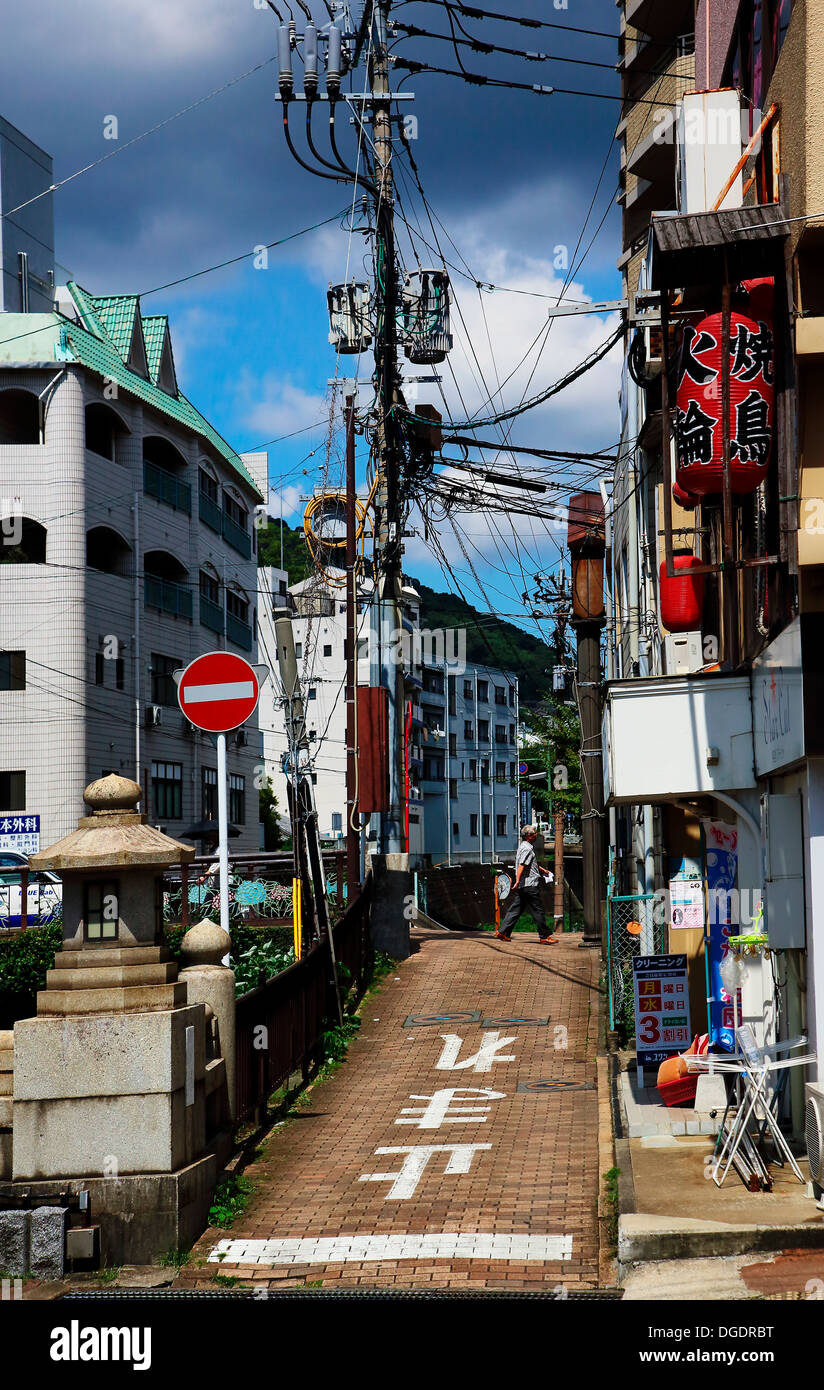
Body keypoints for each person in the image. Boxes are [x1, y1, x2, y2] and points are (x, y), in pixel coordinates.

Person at [496, 825, 556, 944]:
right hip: (529, 885)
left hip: (524, 885)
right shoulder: (527, 849)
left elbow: (529, 864)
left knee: (516, 909)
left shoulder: (523, 847)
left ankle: (503, 932)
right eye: (534, 833)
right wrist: (517, 881)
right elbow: (522, 866)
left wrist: (542, 870)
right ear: (528, 836)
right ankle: (544, 936)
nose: (536, 835)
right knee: (537, 910)